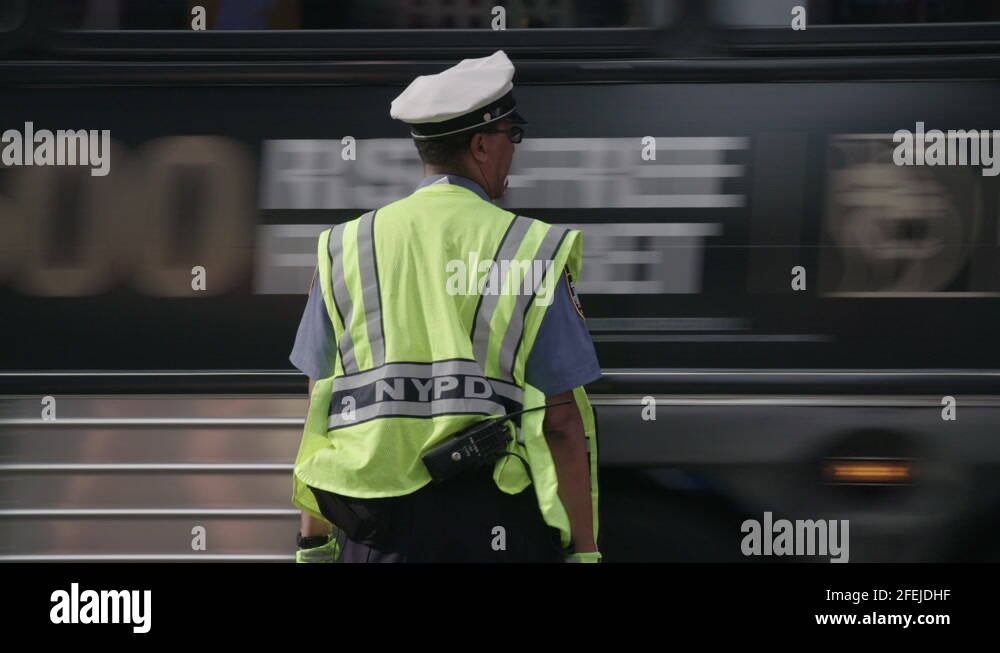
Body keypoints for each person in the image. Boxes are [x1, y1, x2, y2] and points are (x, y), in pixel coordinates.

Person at [289, 50, 602, 562]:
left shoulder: (346, 246)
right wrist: (584, 551)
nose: (514, 150)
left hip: (375, 529)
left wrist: (315, 541)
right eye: (512, 135)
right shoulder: (531, 248)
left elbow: (322, 406)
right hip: (492, 523)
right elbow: (560, 423)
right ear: (481, 144)